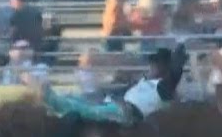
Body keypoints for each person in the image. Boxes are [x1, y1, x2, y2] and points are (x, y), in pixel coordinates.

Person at [40, 45, 187, 126]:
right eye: (153, 64)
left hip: (128, 114)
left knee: (89, 111)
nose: (152, 67)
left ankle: (54, 100)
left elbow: (175, 75)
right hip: (118, 104)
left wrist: (178, 55)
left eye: (156, 65)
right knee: (83, 100)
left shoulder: (163, 88)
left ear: (163, 68)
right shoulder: (147, 81)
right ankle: (58, 100)